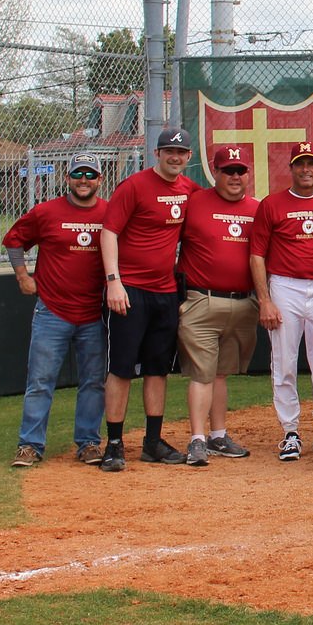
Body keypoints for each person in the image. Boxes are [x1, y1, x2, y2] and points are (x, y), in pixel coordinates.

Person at [99, 126, 197, 471]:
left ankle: (152, 442)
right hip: (129, 291)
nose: (175, 157)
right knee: (122, 368)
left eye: (181, 152)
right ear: (156, 154)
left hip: (166, 292)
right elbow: (109, 232)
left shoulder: (189, 190)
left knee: (158, 368)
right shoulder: (134, 186)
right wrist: (114, 281)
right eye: (168, 151)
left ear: (189, 157)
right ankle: (113, 443)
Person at [2, 156, 108, 468]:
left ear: (100, 179)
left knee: (94, 381)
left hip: (94, 314)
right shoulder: (46, 212)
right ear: (68, 177)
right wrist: (23, 276)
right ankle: (30, 446)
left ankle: (89, 442)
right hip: (52, 311)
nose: (84, 179)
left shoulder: (109, 213)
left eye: (90, 174)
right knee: (40, 381)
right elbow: (14, 240)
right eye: (78, 174)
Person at [250, 140, 313, 463]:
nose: (306, 170)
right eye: (300, 164)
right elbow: (257, 255)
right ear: (291, 168)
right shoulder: (272, 204)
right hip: (284, 286)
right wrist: (265, 299)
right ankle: (290, 432)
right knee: (284, 362)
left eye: (312, 164)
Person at [175, 144, 261, 465]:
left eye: (240, 170)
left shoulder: (256, 208)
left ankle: (218, 436)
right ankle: (197, 439)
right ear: (215, 172)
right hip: (200, 298)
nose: (235, 176)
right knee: (202, 374)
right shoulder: (194, 202)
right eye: (228, 170)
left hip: (241, 302)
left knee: (221, 374)